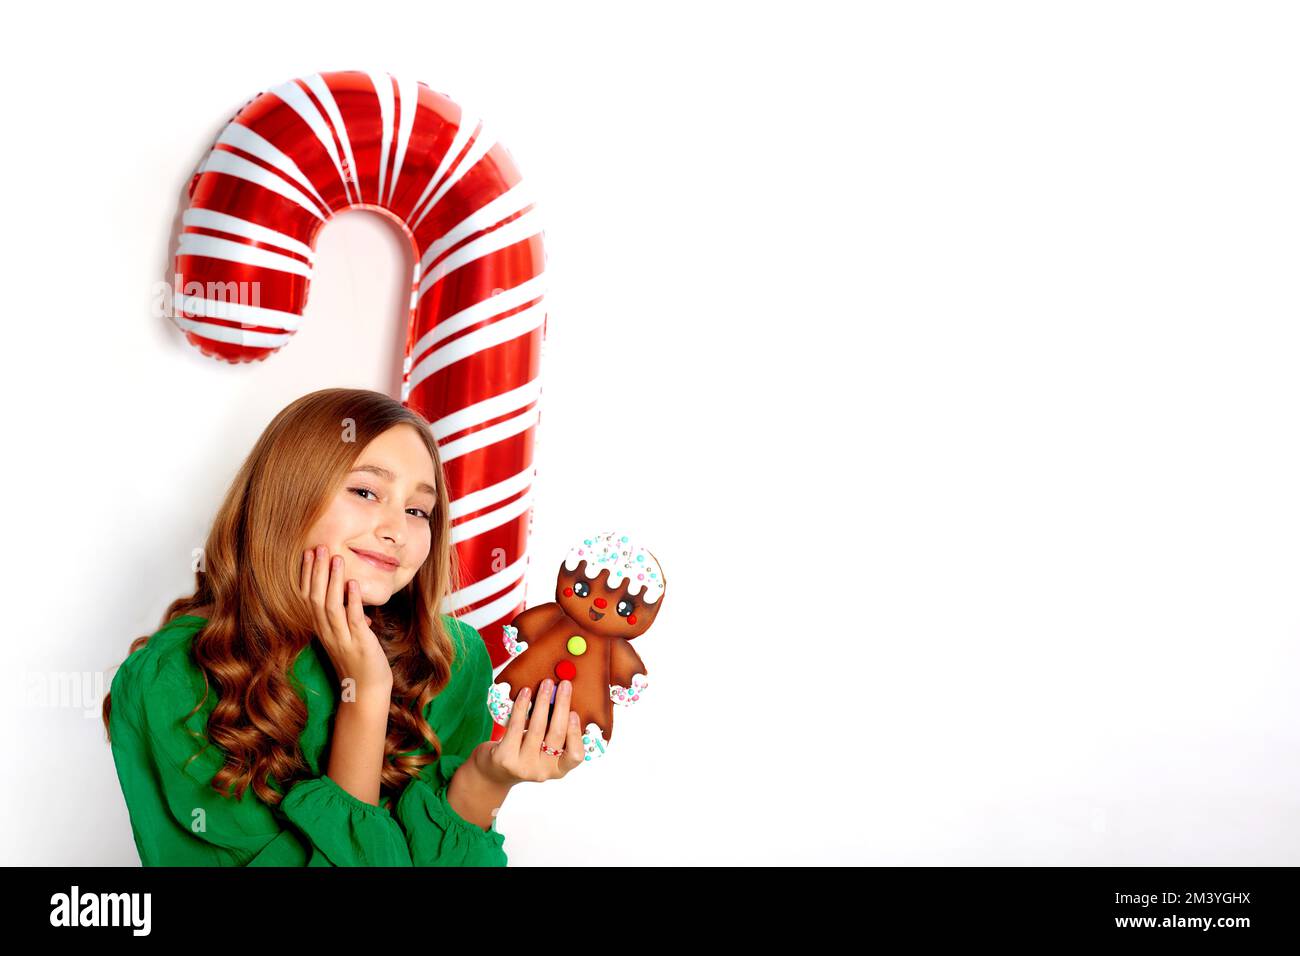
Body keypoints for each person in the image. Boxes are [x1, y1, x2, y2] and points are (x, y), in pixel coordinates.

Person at [102, 387, 582, 865]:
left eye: (417, 510)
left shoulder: (452, 660)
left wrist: (485, 780)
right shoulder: (174, 679)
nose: (396, 529)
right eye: (366, 492)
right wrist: (365, 697)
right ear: (286, 497)